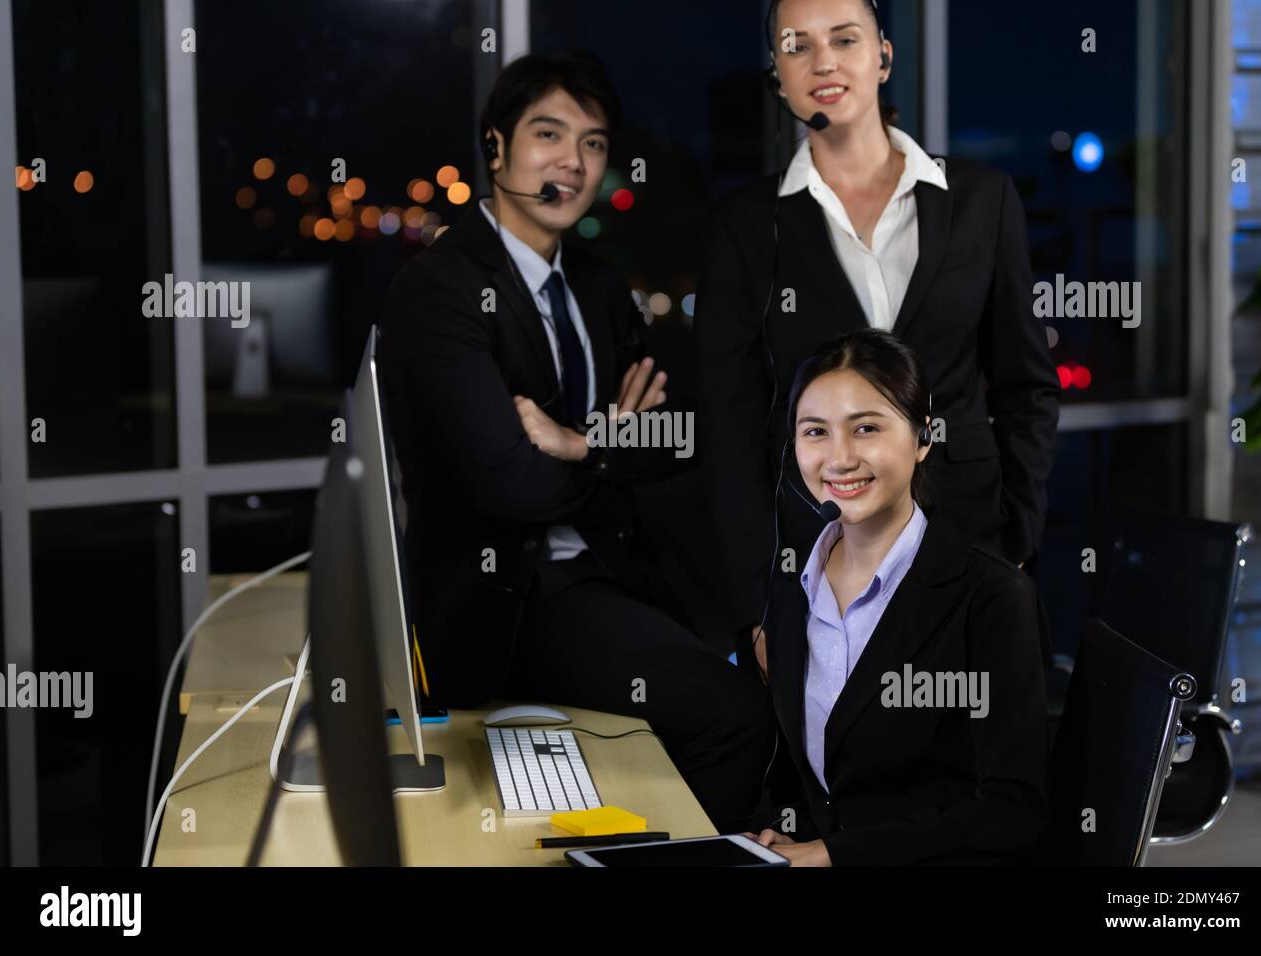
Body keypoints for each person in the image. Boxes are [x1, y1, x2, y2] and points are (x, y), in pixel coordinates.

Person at [378, 51, 775, 833]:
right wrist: (608, 450)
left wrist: (574, 442)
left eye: (592, 143)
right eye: (548, 134)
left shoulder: (597, 283)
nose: (572, 160)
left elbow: (680, 435)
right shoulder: (441, 290)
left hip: (620, 571)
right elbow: (506, 485)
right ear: (496, 149)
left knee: (776, 687)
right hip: (512, 603)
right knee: (733, 721)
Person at [695, 0, 1060, 676]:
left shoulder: (982, 199)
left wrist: (1016, 539)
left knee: (987, 765)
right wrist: (759, 605)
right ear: (777, 73)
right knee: (839, 770)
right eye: (797, 45)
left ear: (884, 55)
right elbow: (729, 422)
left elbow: (1026, 385)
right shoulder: (746, 226)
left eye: (844, 38)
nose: (823, 60)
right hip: (816, 559)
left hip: (969, 542)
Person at [746, 328, 1048, 865]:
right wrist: (780, 832)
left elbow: (1013, 809)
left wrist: (834, 854)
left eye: (865, 428)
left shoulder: (993, 597)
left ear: (923, 437)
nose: (839, 459)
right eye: (815, 432)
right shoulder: (792, 586)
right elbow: (801, 776)